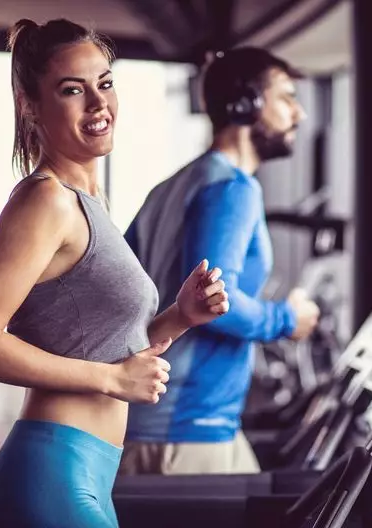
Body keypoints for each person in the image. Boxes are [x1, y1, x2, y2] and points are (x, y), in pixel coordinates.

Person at [0, 18, 229, 528]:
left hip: (88, 471)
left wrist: (180, 317)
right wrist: (112, 378)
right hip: (49, 473)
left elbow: (103, 344)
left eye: (105, 83)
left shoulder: (89, 204)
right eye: (72, 90)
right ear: (30, 105)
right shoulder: (46, 201)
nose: (99, 104)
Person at [119, 47, 321, 476]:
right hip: (187, 429)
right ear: (245, 103)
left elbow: (120, 291)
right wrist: (287, 318)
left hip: (152, 421)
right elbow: (214, 302)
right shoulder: (234, 188)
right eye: (286, 97)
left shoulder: (168, 188)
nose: (298, 114)